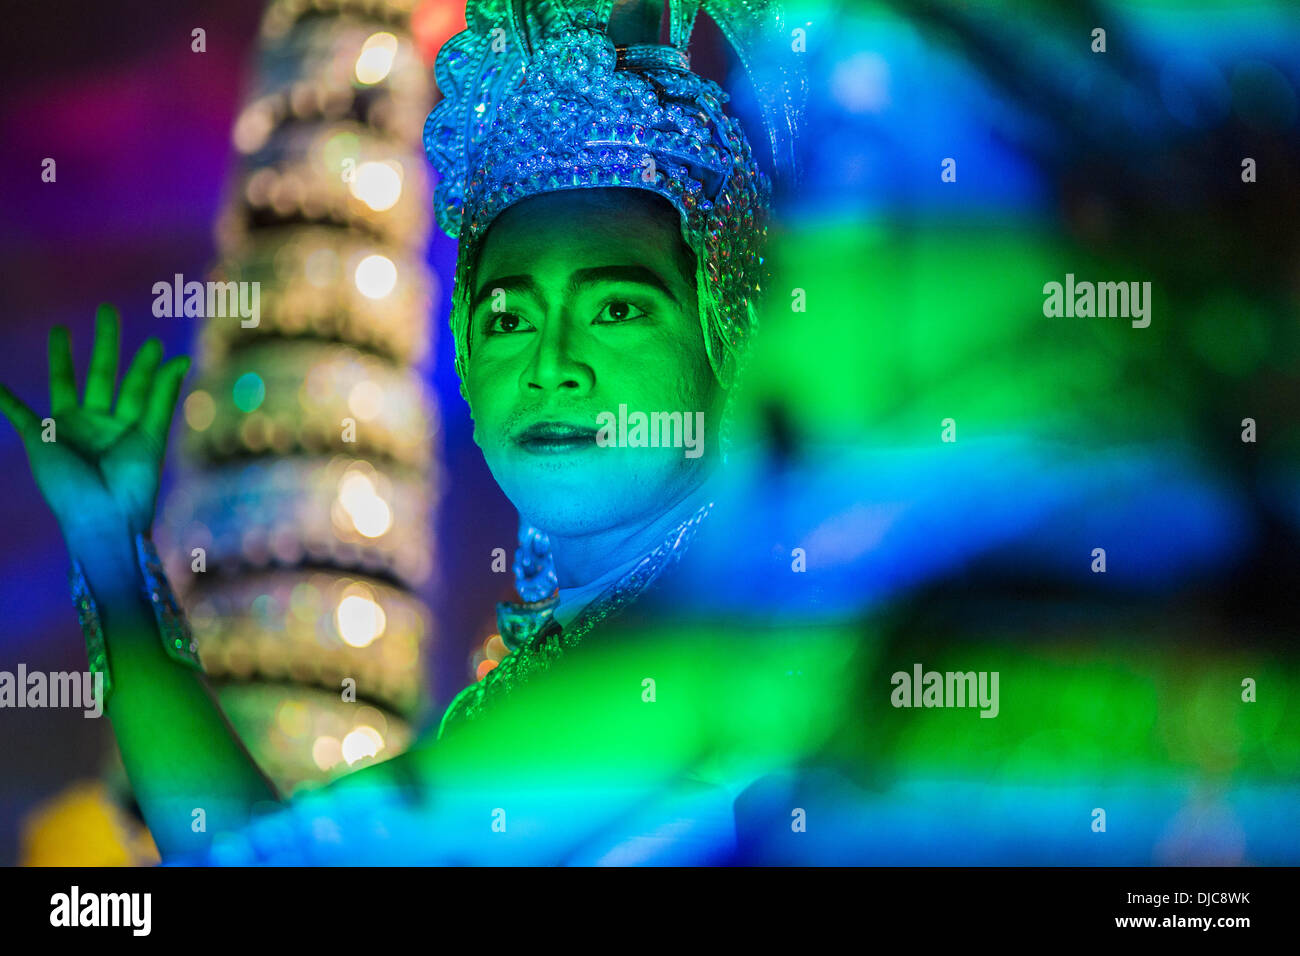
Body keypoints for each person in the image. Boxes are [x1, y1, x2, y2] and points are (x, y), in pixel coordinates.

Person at [0, 0, 820, 864]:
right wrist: (110, 555)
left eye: (617, 308)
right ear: (463, 351)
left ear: (724, 335)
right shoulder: (587, 653)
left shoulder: (722, 643)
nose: (553, 365)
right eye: (507, 318)